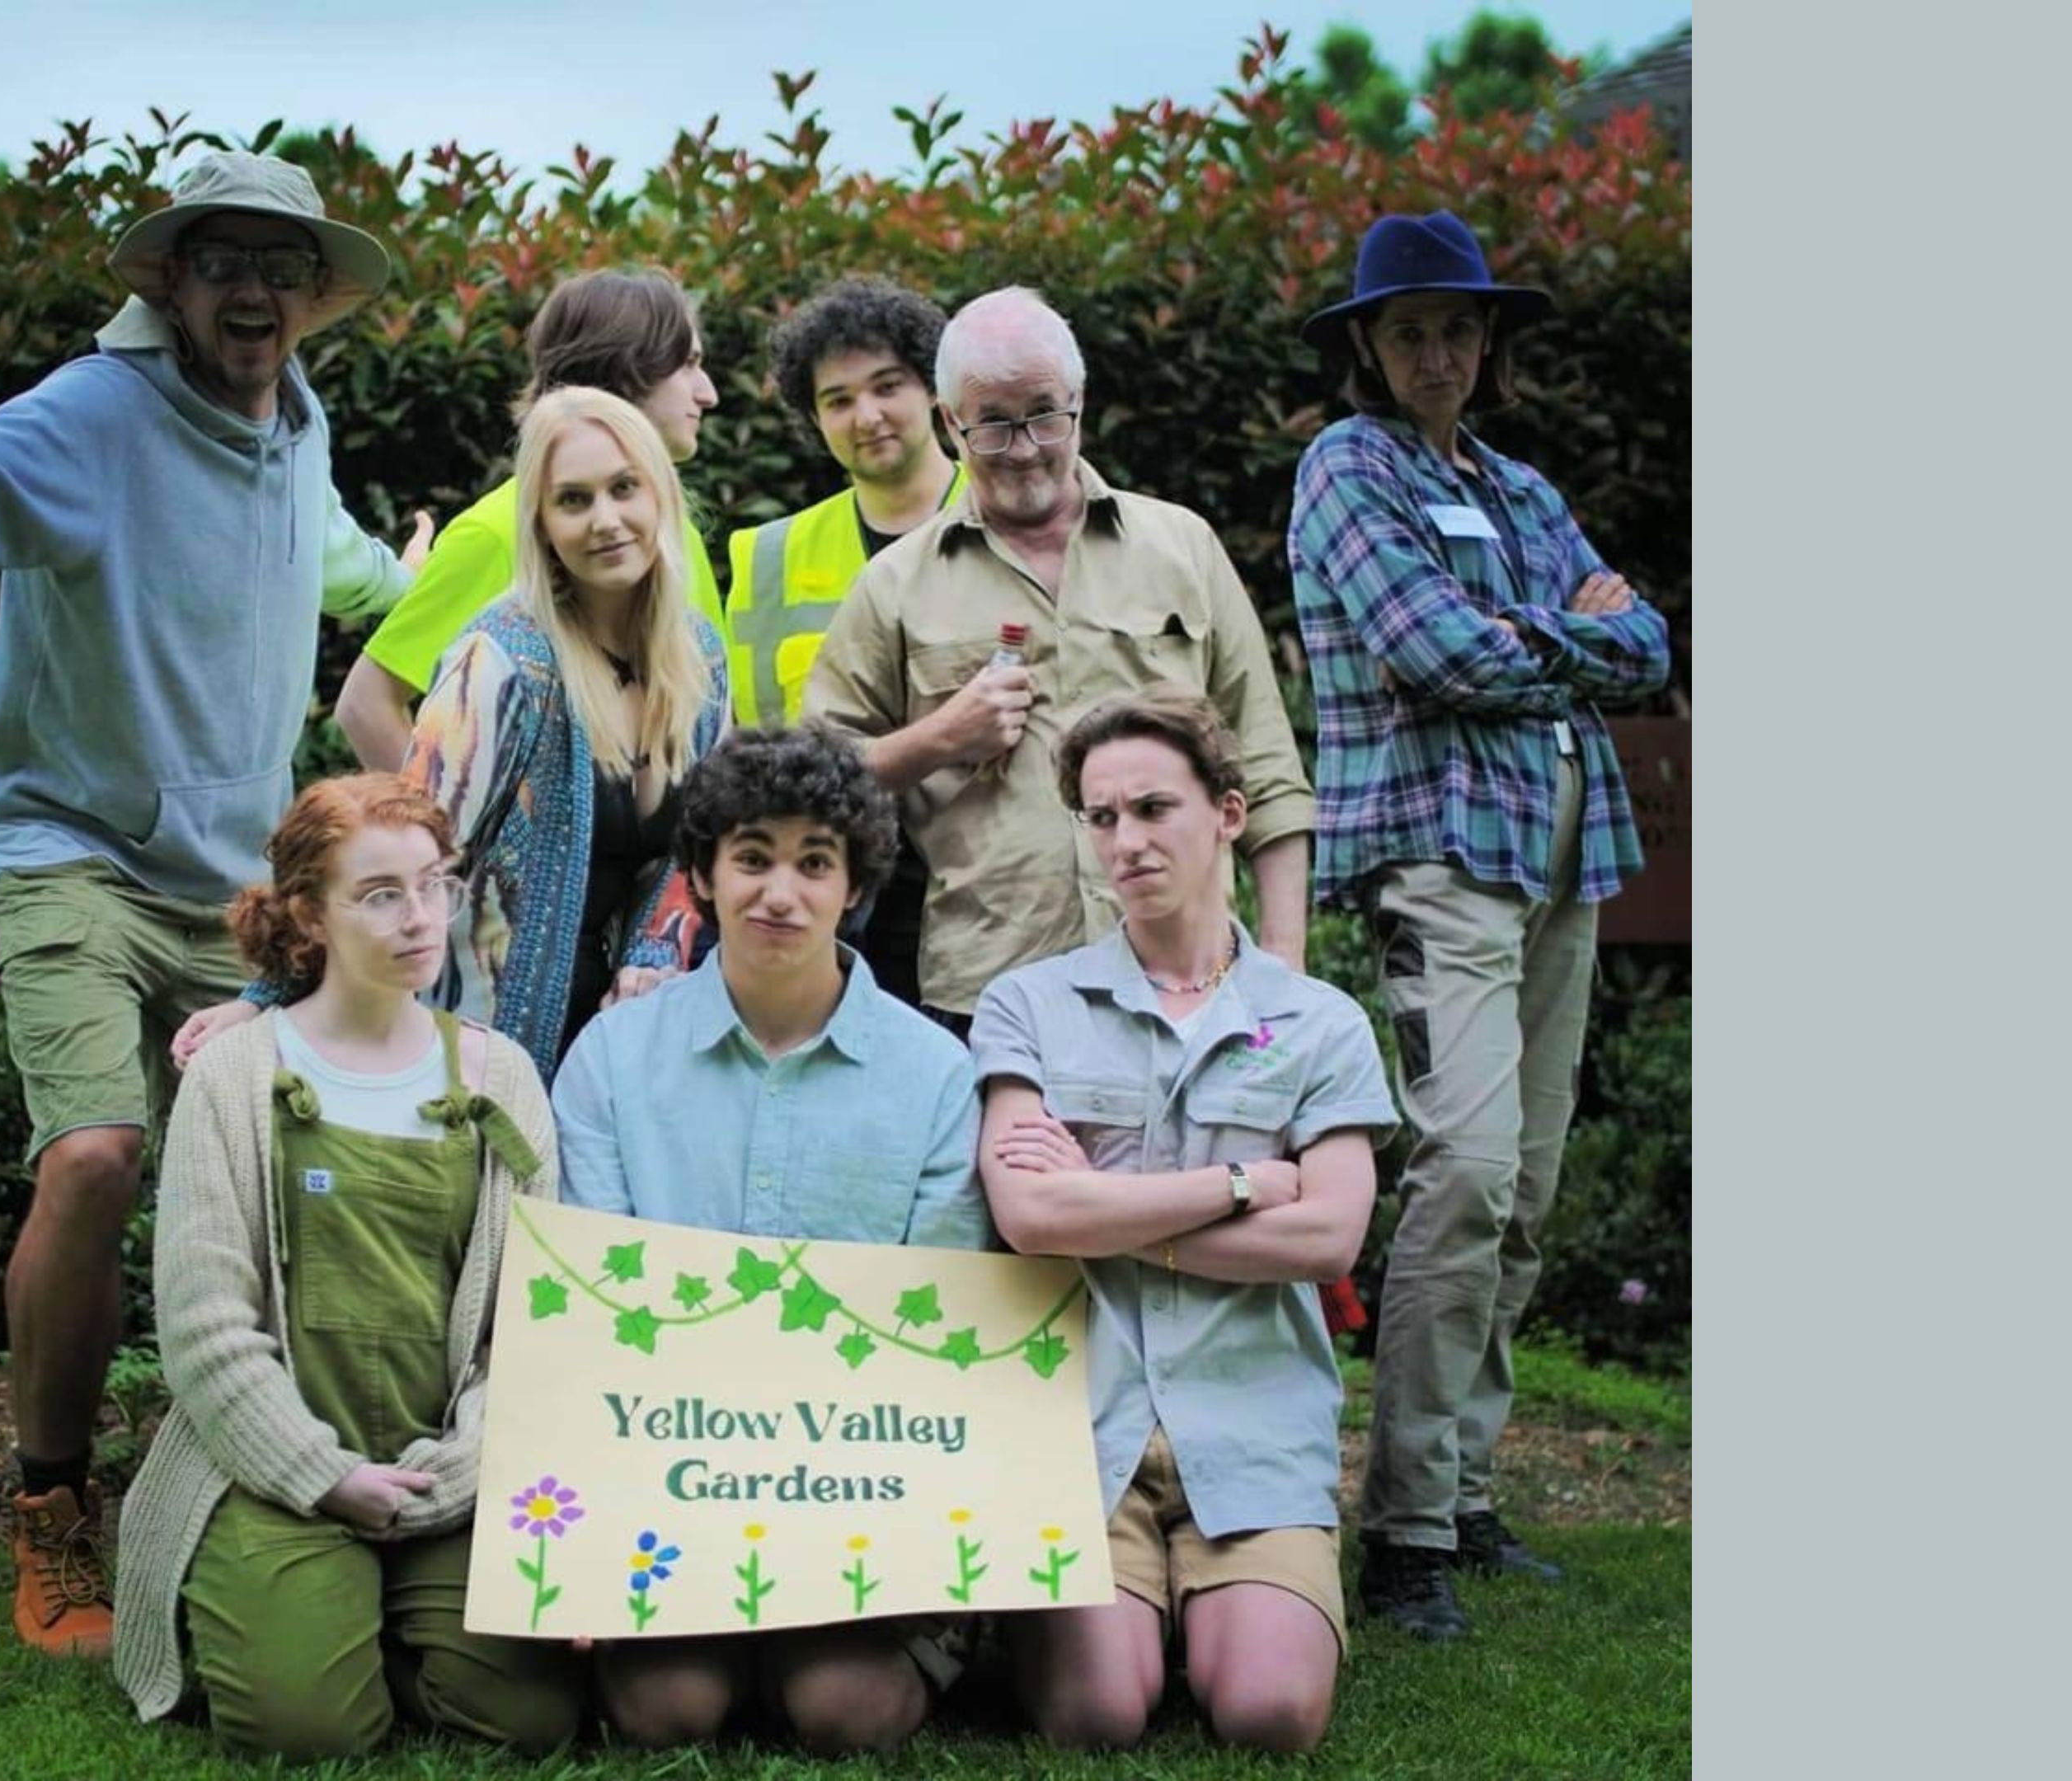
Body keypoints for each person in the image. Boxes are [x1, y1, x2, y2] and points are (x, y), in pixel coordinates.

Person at [0, 148, 430, 1655]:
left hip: (234, 883)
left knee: (291, 1163)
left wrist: (496, 606)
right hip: (60, 843)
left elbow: (363, 582)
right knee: (93, 1156)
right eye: (221, 262)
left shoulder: (301, 437)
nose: (252, 289)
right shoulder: (94, 417)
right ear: (173, 286)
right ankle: (49, 1508)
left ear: (312, 295)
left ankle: (271, 1474)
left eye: (279, 263)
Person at [1288, 209, 1671, 1641]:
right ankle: (1402, 1539)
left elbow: (1653, 644)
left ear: (1487, 343)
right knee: (1466, 1172)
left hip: (1563, 858)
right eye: (1410, 331)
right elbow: (1432, 647)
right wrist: (1564, 637)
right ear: (1366, 351)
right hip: (1444, 858)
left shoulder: (1515, 484)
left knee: (1533, 1188)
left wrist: (1535, 640)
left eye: (1460, 328)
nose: (1439, 352)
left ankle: (1462, 1489)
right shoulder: (1346, 467)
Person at [109, 774, 583, 1759]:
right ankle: (287, 1606)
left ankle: (369, 1617)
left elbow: (531, 1325)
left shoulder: (503, 1077)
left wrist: (457, 1475)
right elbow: (204, 1326)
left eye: (434, 884)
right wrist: (323, 1478)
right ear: (307, 917)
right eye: (379, 895)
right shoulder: (235, 1078)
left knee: (529, 1719)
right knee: (307, 1727)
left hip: (444, 1468)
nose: (419, 919)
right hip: (275, 1468)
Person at [549, 721, 990, 1754]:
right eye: (750, 858)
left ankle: (849, 1639)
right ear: (701, 876)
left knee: (846, 1713)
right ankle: (716, 1639)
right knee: (670, 1712)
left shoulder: (934, 1076)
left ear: (855, 884)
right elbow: (590, 1317)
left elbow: (936, 1322)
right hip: (665, 1469)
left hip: (859, 1477)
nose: (779, 893)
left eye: (813, 863)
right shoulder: (613, 1058)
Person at [968, 688, 1393, 1754]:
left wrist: (1103, 1214)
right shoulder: (1028, 1004)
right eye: (1102, 818)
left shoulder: (1319, 1024)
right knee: (1096, 1714)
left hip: (1252, 1429)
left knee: (1269, 1716)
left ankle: (1233, 1596)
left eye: (1154, 808)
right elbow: (1028, 1214)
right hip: (1081, 1428)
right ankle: (1121, 1610)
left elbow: (1329, 1239)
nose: (1126, 841)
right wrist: (1242, 1186)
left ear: (1230, 816)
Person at [803, 288, 1313, 1035]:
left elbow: (1266, 766)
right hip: (994, 996)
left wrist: (1283, 957)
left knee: (1209, 1162)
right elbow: (820, 777)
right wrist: (942, 738)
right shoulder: (896, 585)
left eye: (1045, 414)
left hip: (1196, 981)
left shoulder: (1184, 548)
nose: (1025, 448)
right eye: (994, 426)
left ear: (1080, 400)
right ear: (951, 423)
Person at [182, 387, 731, 1076]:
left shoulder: (701, 657)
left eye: (625, 489)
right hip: (479, 1044)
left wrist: (655, 956)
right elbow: (402, 854)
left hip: (625, 1047)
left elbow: (696, 844)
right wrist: (266, 998)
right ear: (541, 526)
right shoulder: (499, 662)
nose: (606, 520)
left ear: (663, 499)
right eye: (573, 500)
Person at [335, 268, 727, 771]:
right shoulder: (498, 530)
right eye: (688, 364)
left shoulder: (676, 527)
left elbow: (707, 718)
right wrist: (444, 841)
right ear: (629, 368)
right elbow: (366, 707)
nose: (708, 393)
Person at [726, 278, 965, 1009]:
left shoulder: (1015, 525)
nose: (867, 415)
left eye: (886, 386)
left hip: (986, 897)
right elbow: (750, 750)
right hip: (827, 907)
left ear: (933, 390)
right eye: (837, 400)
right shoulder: (766, 557)